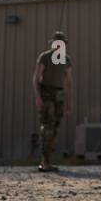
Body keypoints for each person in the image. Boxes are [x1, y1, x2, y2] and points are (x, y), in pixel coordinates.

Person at [32, 31, 73, 171]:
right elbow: (36, 78)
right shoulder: (45, 57)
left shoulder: (66, 59)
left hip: (59, 95)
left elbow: (68, 82)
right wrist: (38, 96)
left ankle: (48, 161)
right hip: (46, 94)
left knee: (55, 127)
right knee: (47, 127)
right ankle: (44, 162)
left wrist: (68, 103)